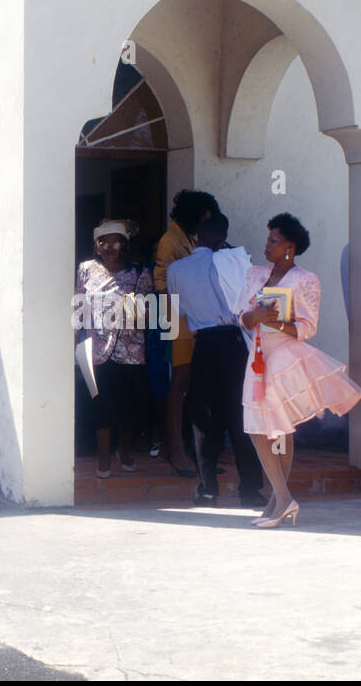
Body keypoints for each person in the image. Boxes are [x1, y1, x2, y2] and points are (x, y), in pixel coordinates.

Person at [235, 213, 361, 528]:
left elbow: (308, 327)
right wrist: (255, 316)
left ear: (289, 248)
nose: (267, 245)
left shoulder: (304, 279)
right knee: (256, 425)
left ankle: (280, 499)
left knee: (278, 426)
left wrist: (275, 321)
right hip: (258, 356)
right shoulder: (256, 274)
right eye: (268, 239)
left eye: (273, 240)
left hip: (284, 356)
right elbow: (241, 317)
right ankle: (280, 499)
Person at [167, 213, 265, 508]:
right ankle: (250, 490)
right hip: (234, 342)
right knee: (240, 415)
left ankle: (207, 489)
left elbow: (176, 312)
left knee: (203, 417)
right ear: (221, 237)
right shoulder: (234, 263)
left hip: (203, 343)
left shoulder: (176, 268)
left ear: (196, 236)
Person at [76, 220, 152, 476]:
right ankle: (104, 457)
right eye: (103, 242)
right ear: (96, 246)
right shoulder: (86, 269)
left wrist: (135, 310)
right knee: (101, 403)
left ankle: (124, 450)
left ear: (124, 245)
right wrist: (73, 344)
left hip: (130, 350)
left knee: (127, 404)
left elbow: (148, 312)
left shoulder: (139, 272)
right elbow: (78, 307)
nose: (109, 247)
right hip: (97, 350)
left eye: (115, 241)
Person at [155, 190, 221, 476]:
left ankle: (197, 453)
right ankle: (175, 453)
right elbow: (161, 285)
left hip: (196, 320)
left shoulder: (191, 238)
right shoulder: (170, 241)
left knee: (197, 387)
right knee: (178, 386)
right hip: (177, 320)